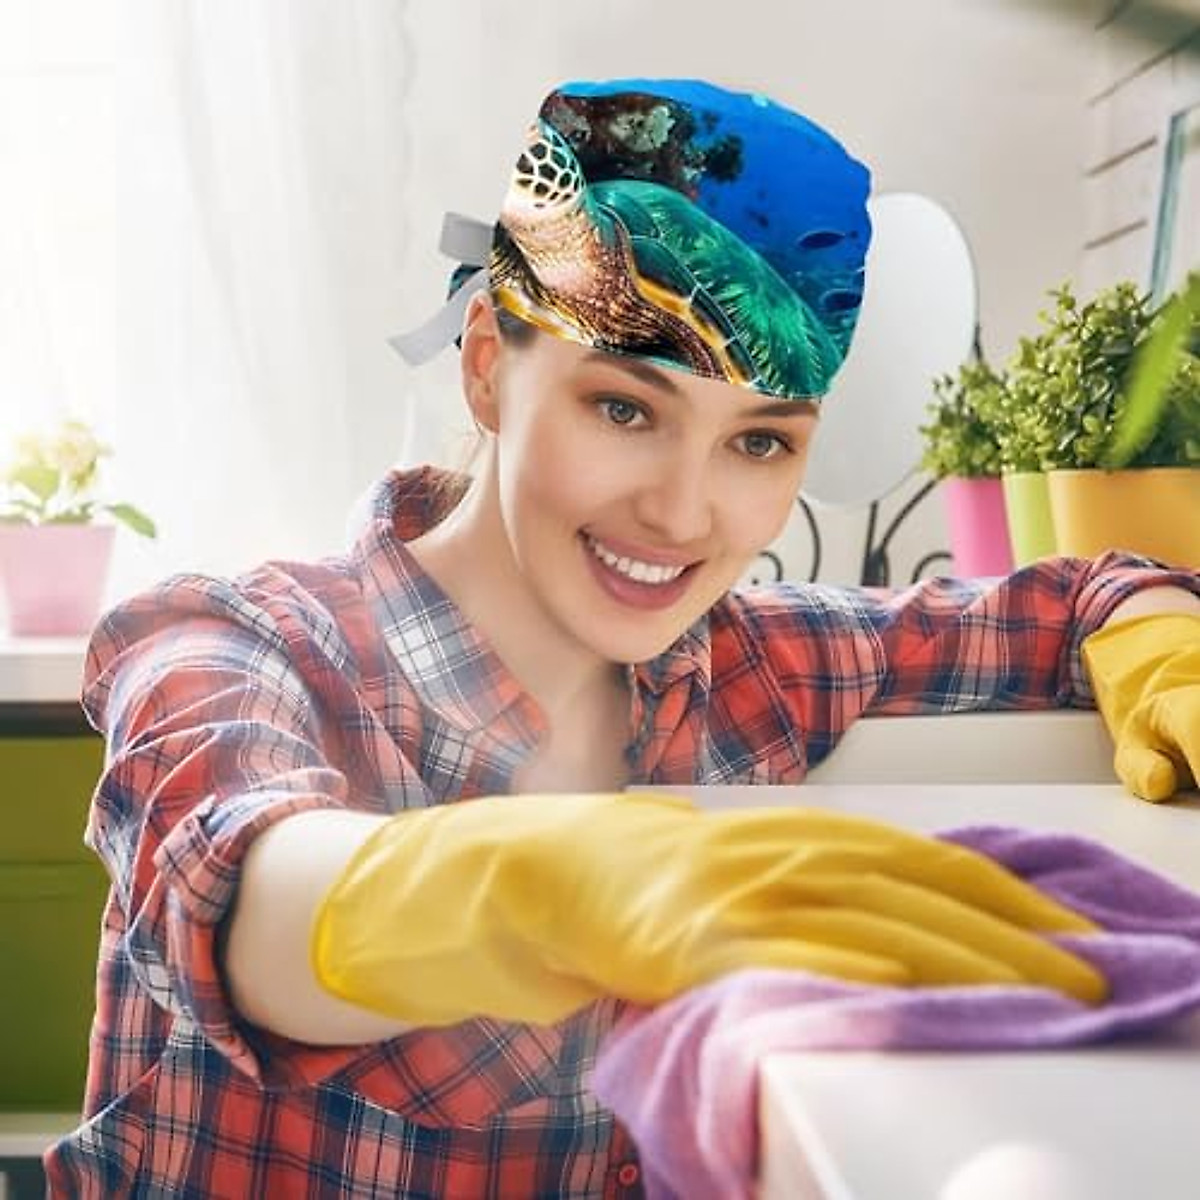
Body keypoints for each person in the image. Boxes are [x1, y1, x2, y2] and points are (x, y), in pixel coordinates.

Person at [48, 78, 1199, 1198]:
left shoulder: (755, 671)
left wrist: (1166, 654)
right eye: (623, 408)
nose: (684, 516)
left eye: (759, 443)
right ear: (488, 365)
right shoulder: (238, 644)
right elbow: (240, 892)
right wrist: (532, 888)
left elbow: (1084, 595)